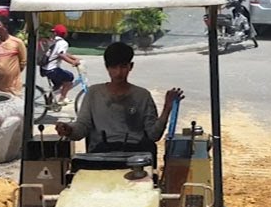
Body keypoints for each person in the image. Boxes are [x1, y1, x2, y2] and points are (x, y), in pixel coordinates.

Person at [55, 42, 184, 154]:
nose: (118, 72)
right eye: (114, 67)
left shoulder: (142, 96)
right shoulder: (94, 93)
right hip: (101, 155)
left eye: (123, 67)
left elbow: (153, 135)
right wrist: (69, 129)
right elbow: (82, 128)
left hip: (135, 154)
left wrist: (167, 108)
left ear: (130, 67)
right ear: (107, 68)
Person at [40, 24, 81, 108]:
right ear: (65, 34)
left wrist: (75, 58)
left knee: (58, 84)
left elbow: (64, 53)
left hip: (45, 68)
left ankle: (49, 102)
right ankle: (62, 98)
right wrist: (72, 62)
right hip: (52, 69)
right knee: (69, 77)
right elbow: (61, 54)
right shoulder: (63, 43)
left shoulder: (53, 41)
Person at [0, 18, 25, 95]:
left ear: (6, 27)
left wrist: (12, 72)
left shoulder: (17, 42)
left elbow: (23, 62)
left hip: (14, 87)